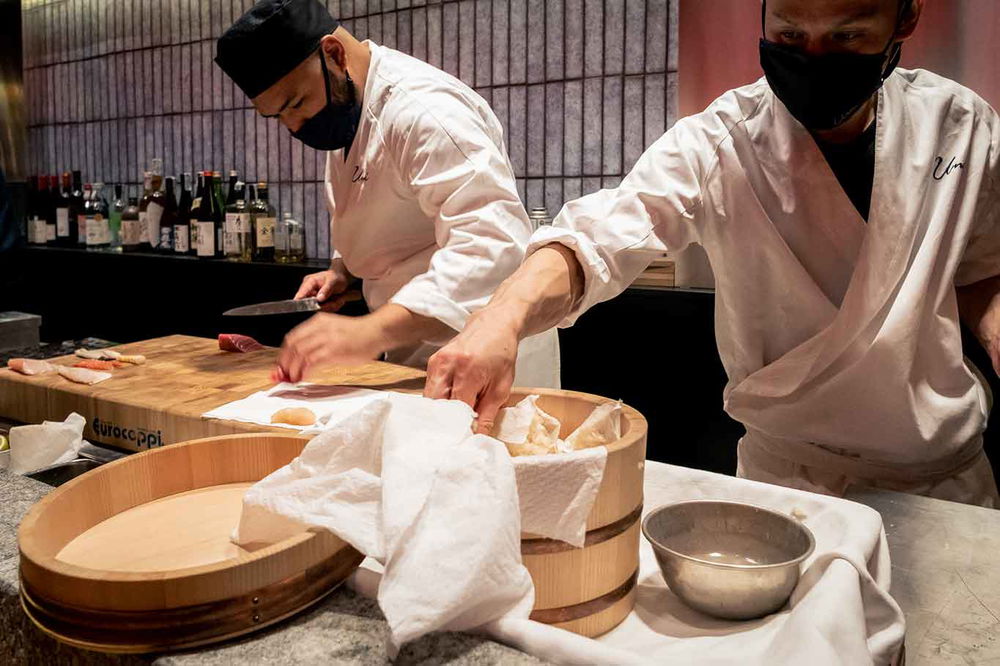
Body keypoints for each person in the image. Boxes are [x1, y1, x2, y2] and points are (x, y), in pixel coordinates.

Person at [425, 0, 1000, 508]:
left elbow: (982, 269)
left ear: (905, 17)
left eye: (847, 37)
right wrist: (500, 318)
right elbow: (606, 231)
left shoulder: (962, 125)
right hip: (793, 481)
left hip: (940, 479)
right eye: (790, 35)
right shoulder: (722, 138)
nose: (815, 56)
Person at [215, 0, 560, 387]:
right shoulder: (349, 108)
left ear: (334, 53)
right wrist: (343, 271)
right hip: (414, 354)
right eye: (277, 116)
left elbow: (493, 248)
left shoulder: (424, 110)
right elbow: (383, 215)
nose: (294, 125)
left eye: (295, 103)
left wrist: (370, 331)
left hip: (483, 355)